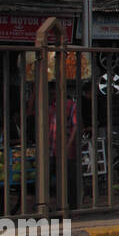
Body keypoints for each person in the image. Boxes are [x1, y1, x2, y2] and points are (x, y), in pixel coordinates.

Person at [48, 83, 80, 212]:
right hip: (51, 149)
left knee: (68, 180)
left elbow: (75, 126)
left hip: (66, 150)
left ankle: (71, 208)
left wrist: (68, 145)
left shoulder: (70, 105)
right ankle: (53, 207)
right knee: (50, 180)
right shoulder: (51, 106)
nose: (53, 93)